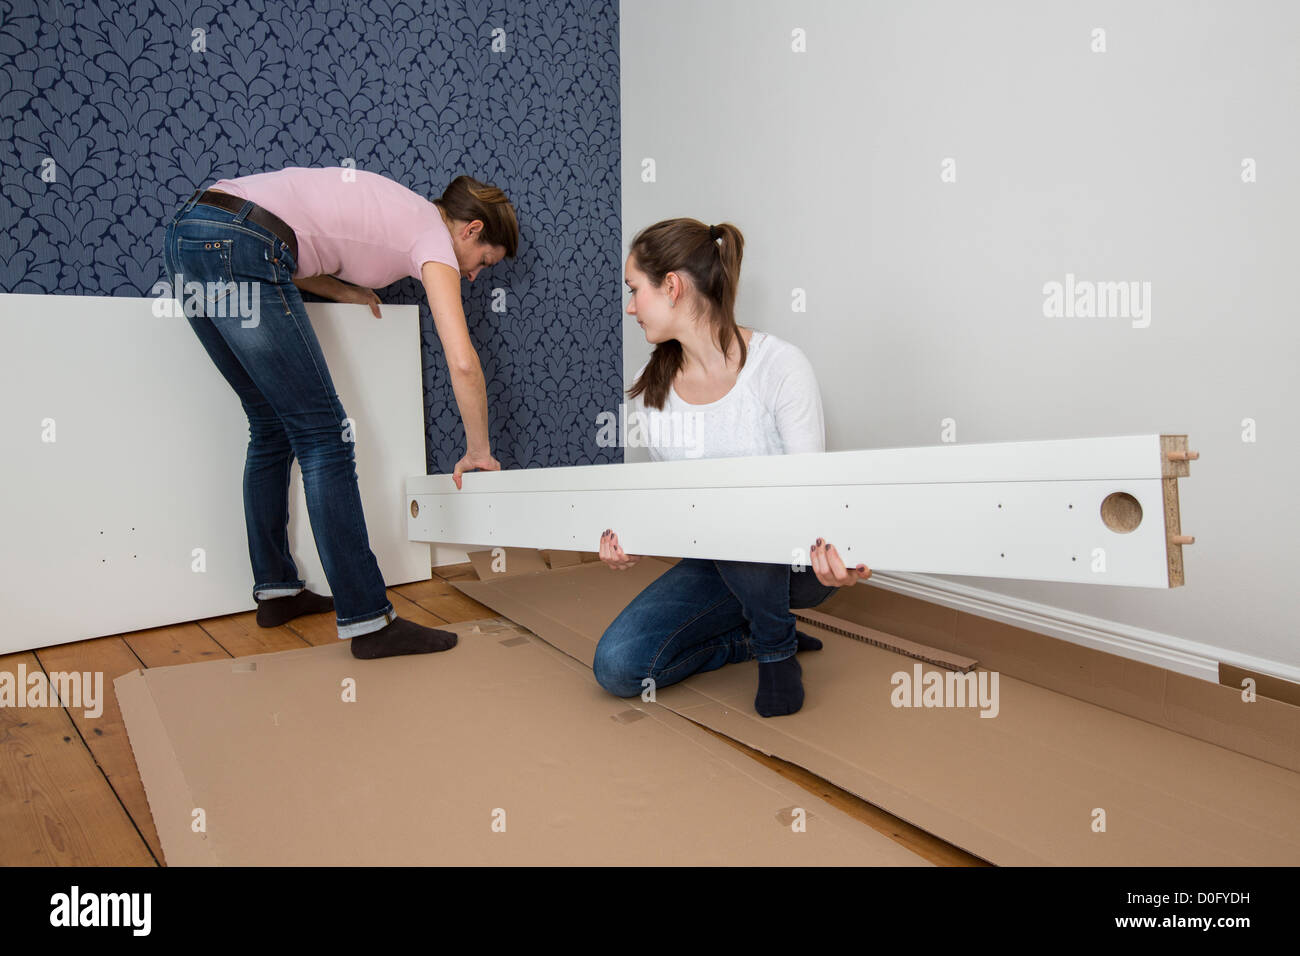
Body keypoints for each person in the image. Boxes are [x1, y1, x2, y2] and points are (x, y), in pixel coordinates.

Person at [161, 167, 516, 658]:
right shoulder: (431, 235)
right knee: (325, 437)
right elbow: (462, 359)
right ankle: (369, 621)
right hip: (240, 243)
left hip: (192, 235)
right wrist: (479, 450)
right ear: (471, 229)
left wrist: (344, 291)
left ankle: (277, 591)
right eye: (484, 260)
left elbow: (305, 239)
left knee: (270, 427)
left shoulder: (402, 209)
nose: (475, 274)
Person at [592, 218, 870, 717]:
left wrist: (842, 554)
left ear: (672, 286)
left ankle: (775, 648)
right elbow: (671, 501)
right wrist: (629, 537)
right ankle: (740, 641)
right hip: (713, 555)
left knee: (740, 497)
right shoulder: (649, 388)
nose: (630, 306)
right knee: (617, 667)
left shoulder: (780, 368)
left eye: (634, 290)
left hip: (793, 561)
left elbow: (812, 495)